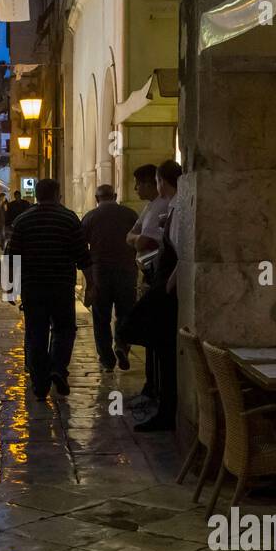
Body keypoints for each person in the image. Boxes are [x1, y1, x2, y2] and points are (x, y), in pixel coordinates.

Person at [6, 178, 91, 401]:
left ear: (36, 194)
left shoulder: (22, 221)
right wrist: (91, 283)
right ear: (57, 194)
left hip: (33, 287)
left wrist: (10, 289)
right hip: (61, 285)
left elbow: (12, 256)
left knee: (36, 333)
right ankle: (58, 368)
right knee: (64, 329)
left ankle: (40, 384)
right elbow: (82, 255)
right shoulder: (69, 218)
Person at [122, 160, 182, 432]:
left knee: (155, 344)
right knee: (156, 346)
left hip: (164, 288)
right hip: (158, 282)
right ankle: (159, 401)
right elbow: (135, 236)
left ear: (160, 181)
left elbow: (182, 254)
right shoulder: (168, 207)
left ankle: (166, 412)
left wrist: (168, 285)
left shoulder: (176, 208)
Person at [80, 185, 139, 372]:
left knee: (101, 317)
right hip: (126, 270)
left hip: (100, 272)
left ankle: (106, 360)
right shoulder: (130, 214)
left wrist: (88, 280)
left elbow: (81, 249)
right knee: (125, 313)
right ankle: (121, 345)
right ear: (115, 195)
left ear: (97, 199)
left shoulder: (89, 217)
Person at [124, 163, 169, 401]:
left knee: (145, 328)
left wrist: (137, 239)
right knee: (147, 331)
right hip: (147, 272)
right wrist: (137, 239)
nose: (135, 188)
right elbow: (132, 234)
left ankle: (156, 390)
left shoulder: (165, 206)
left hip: (157, 275)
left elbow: (141, 241)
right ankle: (151, 387)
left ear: (154, 182)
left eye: (139, 183)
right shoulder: (150, 206)